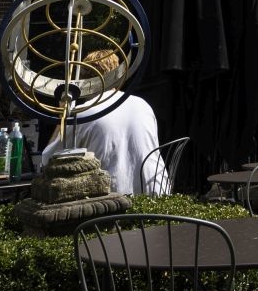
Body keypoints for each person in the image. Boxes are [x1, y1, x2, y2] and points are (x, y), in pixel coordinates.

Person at [40, 51, 168, 194]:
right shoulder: (143, 105)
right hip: (157, 193)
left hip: (110, 202)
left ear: (84, 81)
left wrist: (62, 116)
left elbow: (47, 161)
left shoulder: (81, 113)